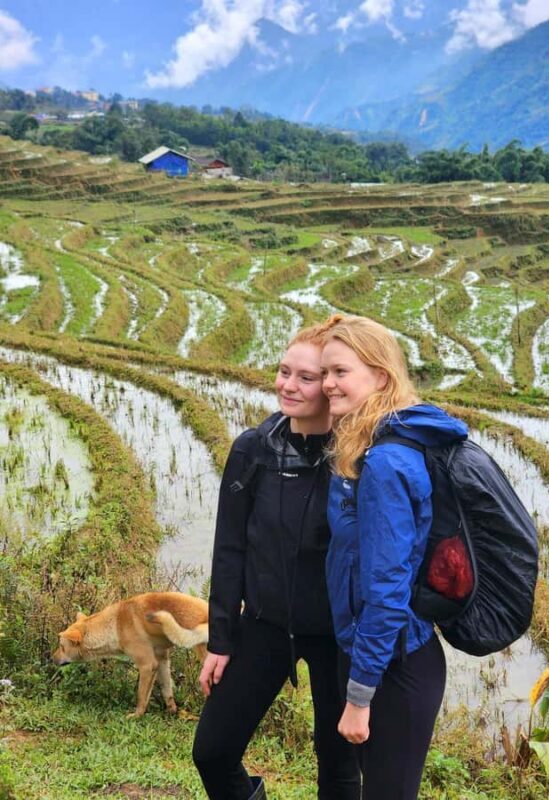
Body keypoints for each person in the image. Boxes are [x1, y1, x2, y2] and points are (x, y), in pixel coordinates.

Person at [193, 322, 360, 800]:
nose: (288, 385)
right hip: (265, 625)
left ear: (332, 386)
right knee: (213, 752)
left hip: (338, 637)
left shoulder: (357, 458)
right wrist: (221, 638)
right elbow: (230, 548)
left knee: (339, 769)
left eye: (306, 378)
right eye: (284, 371)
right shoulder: (254, 450)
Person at [320, 314, 468, 800]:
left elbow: (386, 591)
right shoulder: (372, 443)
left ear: (381, 377)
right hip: (379, 655)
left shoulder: (384, 463)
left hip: (394, 667)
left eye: (341, 372)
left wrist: (360, 695)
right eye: (325, 372)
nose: (327, 383)